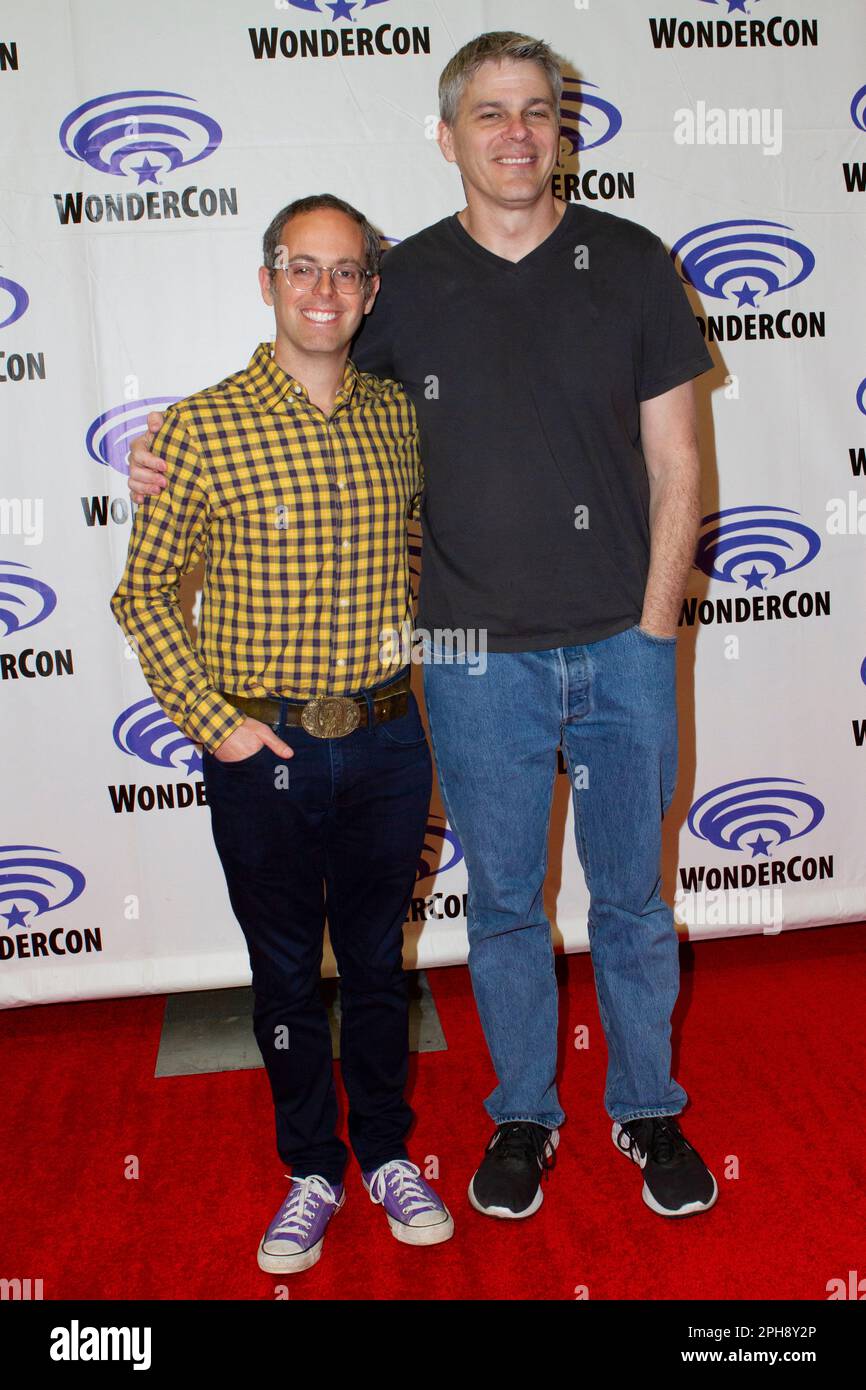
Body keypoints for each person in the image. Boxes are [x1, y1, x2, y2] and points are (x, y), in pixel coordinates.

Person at [127, 32, 719, 1224]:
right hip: (466, 662)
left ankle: (646, 1106)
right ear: (446, 138)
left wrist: (654, 631)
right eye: (488, 114)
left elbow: (678, 465)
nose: (516, 132)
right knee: (501, 902)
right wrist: (165, 456)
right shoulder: (403, 286)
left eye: (536, 111)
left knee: (633, 900)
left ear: (562, 129)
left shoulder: (637, 263)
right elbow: (309, 376)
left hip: (622, 647)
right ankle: (522, 1116)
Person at [112, 193, 454, 1274]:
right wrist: (213, 724)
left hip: (391, 737)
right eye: (301, 268)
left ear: (369, 289)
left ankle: (388, 1151)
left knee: (375, 959)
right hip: (262, 749)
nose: (324, 290)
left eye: (346, 271)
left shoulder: (400, 415)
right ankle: (310, 1167)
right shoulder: (199, 428)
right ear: (266, 281)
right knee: (280, 974)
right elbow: (144, 593)